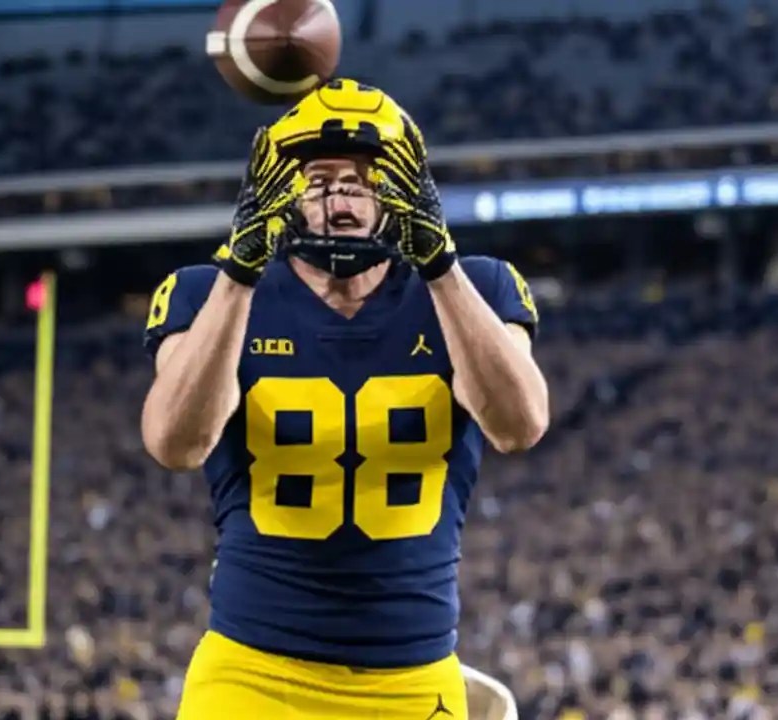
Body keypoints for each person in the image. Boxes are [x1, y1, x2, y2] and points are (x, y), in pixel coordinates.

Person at [140, 79, 549, 719]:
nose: (340, 201)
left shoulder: (481, 286)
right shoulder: (206, 294)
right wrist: (239, 273)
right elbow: (173, 442)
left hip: (413, 676)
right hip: (252, 672)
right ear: (279, 196)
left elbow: (520, 426)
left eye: (362, 180)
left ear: (402, 192)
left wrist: (441, 264)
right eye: (319, 181)